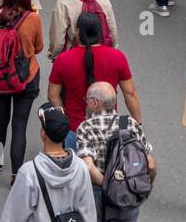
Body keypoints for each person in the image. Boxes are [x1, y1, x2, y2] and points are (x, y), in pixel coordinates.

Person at [76, 82, 156, 222]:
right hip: (127, 198)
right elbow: (151, 164)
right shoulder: (130, 124)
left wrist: (108, 187)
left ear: (94, 103)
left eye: (87, 100)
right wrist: (137, 191)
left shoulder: (86, 127)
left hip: (95, 196)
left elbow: (87, 167)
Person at [48, 13, 141, 147]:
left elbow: (52, 96)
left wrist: (64, 119)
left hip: (75, 130)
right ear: (100, 32)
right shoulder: (117, 57)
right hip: (108, 129)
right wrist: (138, 124)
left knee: (77, 167)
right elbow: (130, 93)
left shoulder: (63, 60)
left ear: (78, 31)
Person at [0, 0, 43, 181]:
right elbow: (38, 47)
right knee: (19, 125)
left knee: (0, 119)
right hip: (25, 77)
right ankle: (17, 173)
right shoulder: (32, 18)